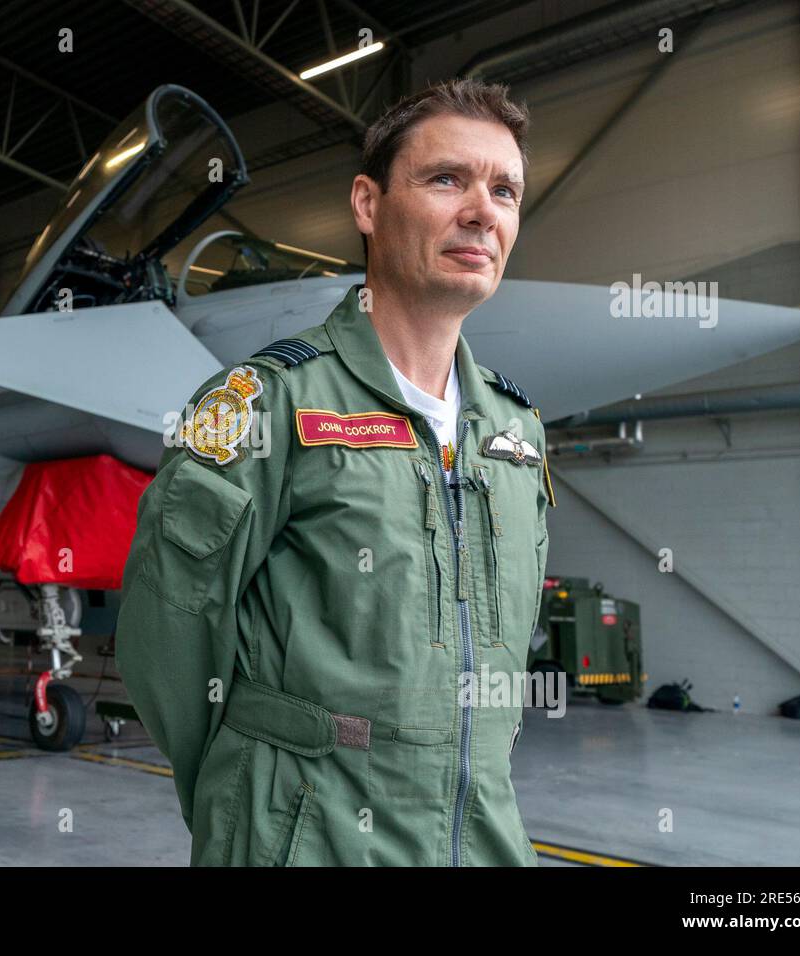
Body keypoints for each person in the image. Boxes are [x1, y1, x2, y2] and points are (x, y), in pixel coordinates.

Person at [116, 77, 555, 866]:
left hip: (482, 836)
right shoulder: (265, 404)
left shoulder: (515, 433)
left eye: (505, 190)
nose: (483, 211)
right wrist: (252, 803)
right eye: (446, 178)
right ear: (367, 203)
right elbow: (168, 637)